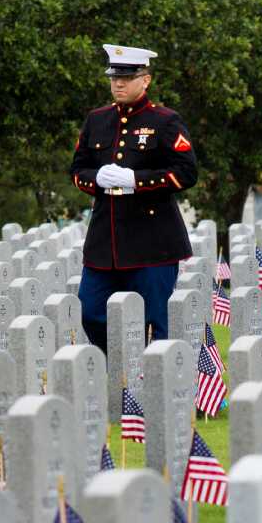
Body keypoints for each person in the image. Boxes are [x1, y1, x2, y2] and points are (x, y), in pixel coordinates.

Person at [69, 43, 198, 347]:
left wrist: (137, 181)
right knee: (90, 311)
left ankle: (152, 384)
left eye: (127, 77)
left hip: (152, 244)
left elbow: (186, 172)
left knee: (156, 324)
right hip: (105, 243)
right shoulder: (97, 120)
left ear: (146, 80)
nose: (119, 83)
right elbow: (77, 170)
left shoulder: (165, 121)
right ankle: (120, 370)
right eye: (115, 78)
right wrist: (95, 179)